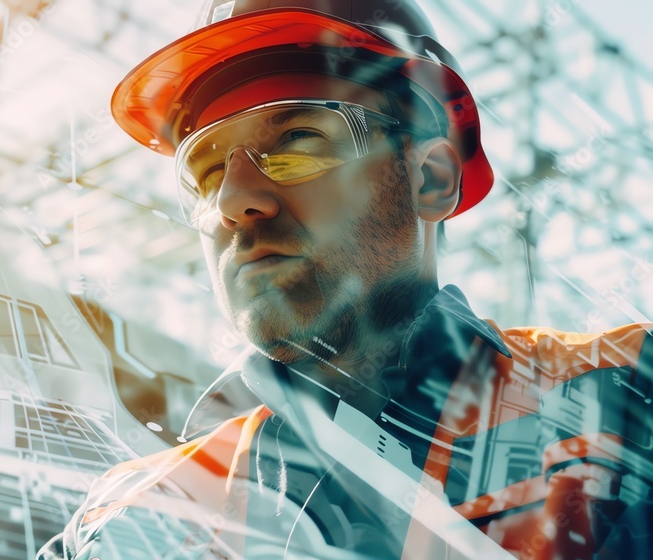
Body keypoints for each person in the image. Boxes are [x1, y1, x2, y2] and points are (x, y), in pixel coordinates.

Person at [39, 1, 653, 558]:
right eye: (206, 173)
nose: (233, 200)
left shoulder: (626, 397)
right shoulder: (125, 518)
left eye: (298, 140)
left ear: (431, 179)